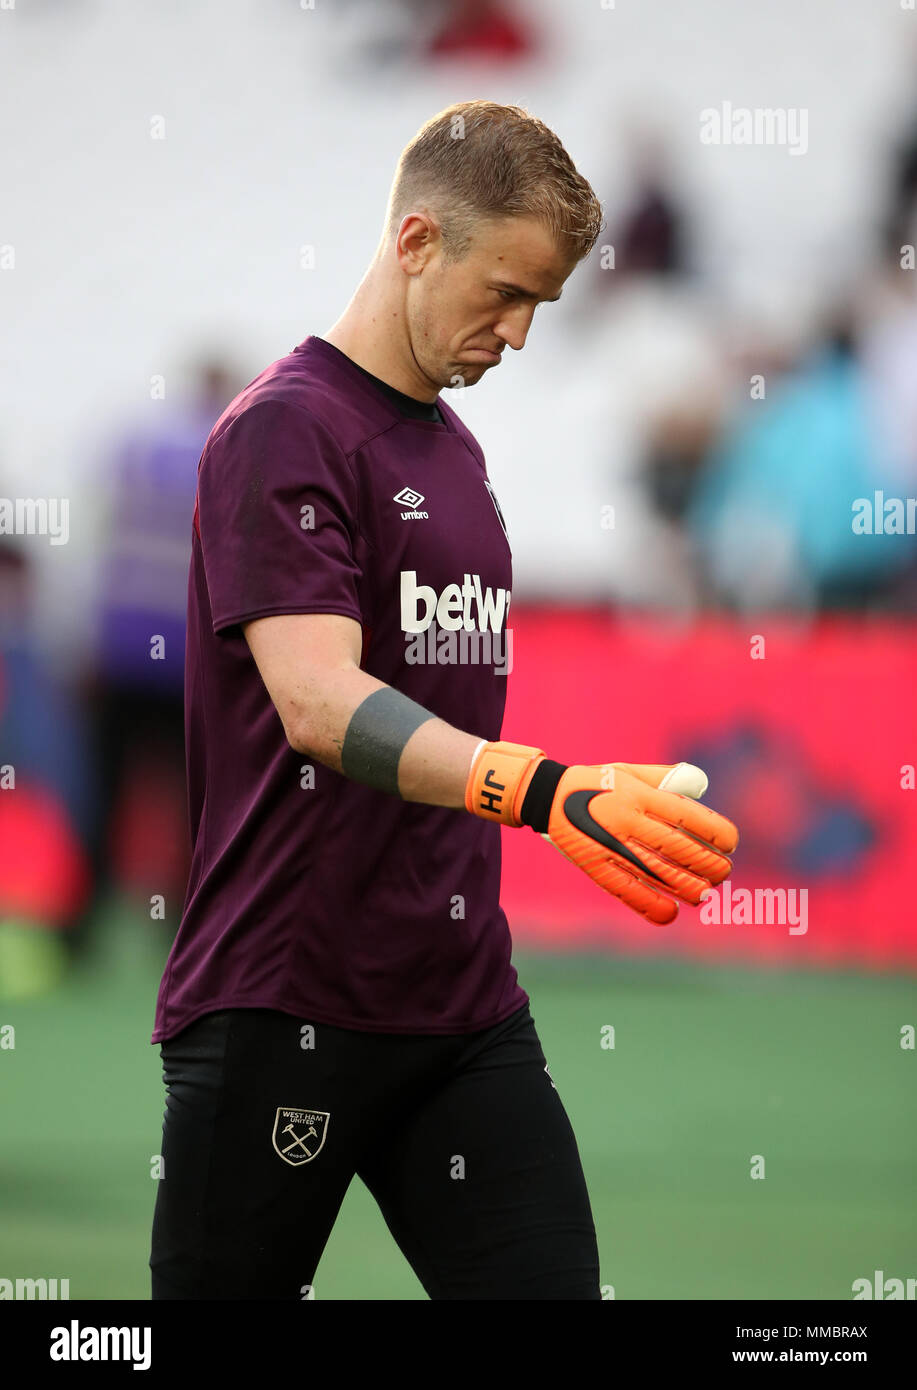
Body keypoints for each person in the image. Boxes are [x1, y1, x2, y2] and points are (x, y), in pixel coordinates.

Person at [149, 100, 738, 1301]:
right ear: (417, 240)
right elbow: (317, 702)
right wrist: (543, 788)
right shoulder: (282, 431)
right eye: (505, 292)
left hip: (462, 1010)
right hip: (283, 1003)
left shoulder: (453, 452)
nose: (516, 333)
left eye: (540, 306)